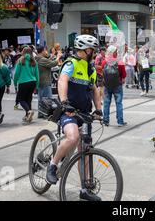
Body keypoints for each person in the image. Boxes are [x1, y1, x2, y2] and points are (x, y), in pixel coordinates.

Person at [46, 35, 103, 201]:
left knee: (85, 152)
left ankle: (85, 189)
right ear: (85, 50)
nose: (94, 52)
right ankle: (52, 165)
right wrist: (64, 102)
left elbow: (94, 90)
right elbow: (63, 80)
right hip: (69, 111)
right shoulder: (71, 63)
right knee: (73, 137)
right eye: (92, 49)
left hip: (84, 114)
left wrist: (99, 110)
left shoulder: (90, 68)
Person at [101, 45, 127, 127]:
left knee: (106, 103)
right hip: (117, 85)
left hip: (107, 85)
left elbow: (102, 72)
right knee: (118, 103)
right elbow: (124, 74)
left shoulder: (104, 62)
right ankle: (120, 121)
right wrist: (122, 79)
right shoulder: (120, 62)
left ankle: (105, 120)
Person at [13, 46, 39, 123]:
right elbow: (37, 74)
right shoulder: (34, 61)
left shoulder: (20, 61)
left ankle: (28, 111)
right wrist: (37, 85)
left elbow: (16, 73)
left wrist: (15, 83)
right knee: (28, 99)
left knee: (21, 99)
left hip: (23, 82)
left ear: (23, 52)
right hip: (32, 82)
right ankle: (28, 116)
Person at [35, 46, 63, 118]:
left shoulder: (38, 59)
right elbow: (53, 63)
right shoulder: (42, 59)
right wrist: (58, 57)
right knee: (48, 99)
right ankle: (46, 113)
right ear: (43, 51)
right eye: (46, 50)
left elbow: (48, 62)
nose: (47, 52)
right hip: (45, 81)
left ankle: (41, 113)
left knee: (41, 98)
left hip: (40, 81)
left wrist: (53, 55)